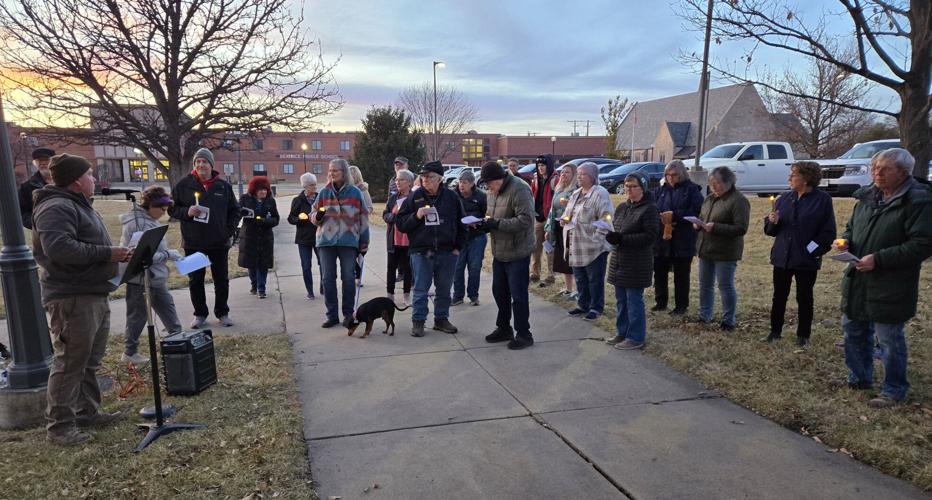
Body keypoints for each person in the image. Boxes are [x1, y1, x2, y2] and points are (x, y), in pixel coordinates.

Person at [32, 154, 130, 445]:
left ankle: (86, 412)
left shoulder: (75, 204)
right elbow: (59, 249)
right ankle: (60, 427)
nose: (94, 179)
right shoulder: (55, 206)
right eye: (89, 175)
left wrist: (117, 254)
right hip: (71, 298)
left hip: (92, 291)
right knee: (70, 362)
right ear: (76, 180)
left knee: (89, 360)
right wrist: (107, 253)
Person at [833, 148, 932, 408]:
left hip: (891, 284)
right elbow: (851, 229)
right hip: (858, 278)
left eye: (884, 169)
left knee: (888, 339)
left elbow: (922, 244)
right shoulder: (866, 198)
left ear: (903, 172)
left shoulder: (918, 202)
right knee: (853, 331)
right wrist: (845, 242)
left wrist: (879, 259)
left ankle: (894, 389)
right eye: (874, 168)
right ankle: (859, 377)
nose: (877, 173)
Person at [763, 162, 836, 347]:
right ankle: (775, 331)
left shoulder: (823, 200)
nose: (789, 178)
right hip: (782, 256)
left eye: (793, 175)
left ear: (806, 179)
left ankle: (803, 334)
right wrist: (773, 222)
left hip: (805, 260)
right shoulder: (784, 199)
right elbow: (770, 230)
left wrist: (810, 250)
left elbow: (827, 233)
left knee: (804, 297)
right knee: (779, 295)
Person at [170, 147, 241, 329]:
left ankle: (222, 312)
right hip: (194, 242)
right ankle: (200, 314)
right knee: (195, 280)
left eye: (204, 162)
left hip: (218, 242)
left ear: (211, 164)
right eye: (198, 162)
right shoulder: (184, 185)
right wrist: (187, 211)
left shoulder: (223, 186)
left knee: (221, 279)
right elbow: (171, 208)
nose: (201, 165)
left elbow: (235, 211)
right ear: (194, 165)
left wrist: (228, 230)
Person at [395, 161, 465, 337]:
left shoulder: (451, 197)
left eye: (429, 177)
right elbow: (401, 224)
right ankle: (418, 321)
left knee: (444, 288)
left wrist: (458, 247)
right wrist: (416, 216)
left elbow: (461, 223)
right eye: (423, 176)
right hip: (421, 251)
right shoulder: (415, 196)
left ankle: (441, 319)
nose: (425, 180)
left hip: (447, 251)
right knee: (421, 288)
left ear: (440, 178)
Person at [119, 185, 183, 366]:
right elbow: (139, 255)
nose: (164, 213)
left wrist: (167, 252)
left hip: (156, 278)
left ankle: (178, 343)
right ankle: (129, 353)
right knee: (137, 317)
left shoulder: (150, 220)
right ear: (150, 206)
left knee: (169, 310)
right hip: (140, 280)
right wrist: (168, 255)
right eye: (162, 209)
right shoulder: (137, 223)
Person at [475, 162, 536, 349]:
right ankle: (504, 328)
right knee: (499, 292)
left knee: (518, 296)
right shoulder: (493, 192)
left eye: (489, 184)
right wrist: (484, 223)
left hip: (517, 252)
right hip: (499, 251)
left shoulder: (520, 189)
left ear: (498, 179)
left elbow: (525, 220)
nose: (487, 188)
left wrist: (496, 224)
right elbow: (491, 215)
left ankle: (524, 333)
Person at [605, 172, 660, 350]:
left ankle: (636, 336)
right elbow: (617, 229)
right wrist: (610, 235)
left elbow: (649, 236)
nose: (628, 189)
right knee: (621, 299)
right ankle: (622, 332)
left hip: (637, 261)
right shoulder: (622, 207)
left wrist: (622, 239)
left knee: (634, 300)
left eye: (633, 186)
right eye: (626, 186)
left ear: (642, 187)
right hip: (620, 260)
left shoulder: (649, 209)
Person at [312, 159, 370, 329]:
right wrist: (316, 217)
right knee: (327, 279)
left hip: (348, 241)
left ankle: (347, 314)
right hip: (326, 242)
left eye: (335, 171)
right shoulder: (323, 193)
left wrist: (364, 243)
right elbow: (313, 213)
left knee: (348, 278)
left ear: (344, 172)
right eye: (330, 171)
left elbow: (363, 219)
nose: (331, 173)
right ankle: (331, 315)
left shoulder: (355, 193)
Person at [694, 166, 751, 331]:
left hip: (725, 251)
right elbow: (702, 217)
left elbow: (741, 228)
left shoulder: (738, 200)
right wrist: (697, 224)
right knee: (705, 284)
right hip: (706, 248)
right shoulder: (710, 199)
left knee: (725, 285)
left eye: (717, 183)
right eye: (711, 183)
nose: (713, 186)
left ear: (728, 182)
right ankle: (704, 315)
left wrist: (716, 227)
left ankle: (728, 320)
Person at [652, 160, 703, 315]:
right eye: (667, 175)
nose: (670, 178)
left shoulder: (692, 190)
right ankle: (660, 302)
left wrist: (675, 216)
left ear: (681, 174)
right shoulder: (660, 191)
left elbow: (696, 211)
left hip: (683, 237)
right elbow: (653, 207)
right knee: (659, 271)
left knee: (681, 274)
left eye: (674, 175)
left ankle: (681, 305)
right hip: (662, 238)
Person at [564, 162, 613, 321]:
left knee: (594, 280)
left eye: (582, 174)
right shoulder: (576, 193)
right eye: (578, 173)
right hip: (576, 244)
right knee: (580, 278)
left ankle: (596, 307)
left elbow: (606, 217)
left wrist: (598, 239)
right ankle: (582, 304)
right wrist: (564, 220)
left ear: (592, 176)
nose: (579, 176)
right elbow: (568, 213)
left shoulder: (600, 193)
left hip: (593, 246)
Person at [238, 176, 279, 299]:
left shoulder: (271, 201)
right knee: (251, 264)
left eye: (265, 189)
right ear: (254, 190)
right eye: (260, 190)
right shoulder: (245, 199)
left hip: (265, 237)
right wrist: (242, 212)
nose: (263, 192)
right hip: (249, 237)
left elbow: (275, 218)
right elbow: (236, 212)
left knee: (263, 264)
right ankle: (254, 285)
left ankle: (262, 288)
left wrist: (265, 221)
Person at [452, 169, 488, 306]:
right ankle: (457, 296)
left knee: (474, 267)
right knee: (458, 267)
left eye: (465, 182)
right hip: (459, 237)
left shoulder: (481, 196)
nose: (461, 185)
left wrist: (479, 223)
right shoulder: (453, 195)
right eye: (460, 182)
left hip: (476, 236)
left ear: (472, 183)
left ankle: (473, 295)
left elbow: (488, 215)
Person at [544, 162, 578, 297]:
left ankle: (577, 289)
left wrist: (569, 204)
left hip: (570, 229)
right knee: (562, 259)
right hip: (557, 228)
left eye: (567, 172)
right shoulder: (559, 189)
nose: (563, 174)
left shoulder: (576, 190)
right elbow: (552, 211)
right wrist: (548, 228)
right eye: (562, 172)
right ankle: (568, 288)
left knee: (571, 260)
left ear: (574, 175)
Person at [383, 169, 415, 304]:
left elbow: (417, 217)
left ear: (409, 182)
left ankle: (406, 294)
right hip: (394, 239)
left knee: (408, 269)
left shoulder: (415, 197)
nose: (397, 182)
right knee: (391, 268)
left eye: (400, 180)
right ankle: (390, 295)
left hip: (409, 240)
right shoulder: (393, 198)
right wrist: (393, 216)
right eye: (396, 180)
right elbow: (385, 214)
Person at [288, 173, 319, 299]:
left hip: (319, 236)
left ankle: (324, 285)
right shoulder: (298, 200)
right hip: (303, 238)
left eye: (315, 184)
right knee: (306, 266)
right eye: (312, 185)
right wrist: (300, 219)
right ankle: (310, 291)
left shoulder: (319, 198)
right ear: (305, 186)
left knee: (323, 263)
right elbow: (291, 218)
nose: (314, 187)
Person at [530, 154, 557, 286]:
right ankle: (535, 273)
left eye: (543, 165)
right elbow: (532, 195)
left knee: (549, 247)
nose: (540, 168)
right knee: (535, 247)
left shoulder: (555, 179)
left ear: (549, 165)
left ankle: (551, 275)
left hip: (549, 218)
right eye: (539, 165)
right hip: (537, 217)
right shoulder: (536, 179)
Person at [18, 147, 54, 229]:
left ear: (54, 162)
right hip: (42, 232)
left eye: (46, 160)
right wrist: (38, 224)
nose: (42, 163)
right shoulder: (27, 187)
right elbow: (23, 213)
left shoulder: (65, 181)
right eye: (39, 161)